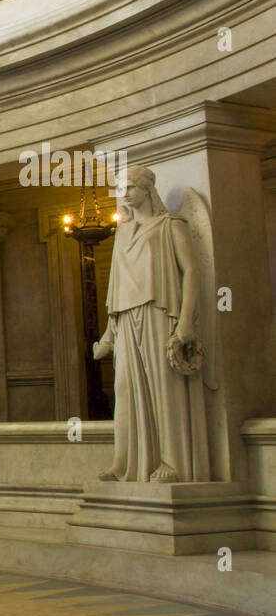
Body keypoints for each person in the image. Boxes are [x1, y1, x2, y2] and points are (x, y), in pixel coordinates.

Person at [94, 167, 210, 482]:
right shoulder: (124, 232)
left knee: (164, 387)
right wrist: (108, 332)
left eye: (131, 186)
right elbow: (114, 287)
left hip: (159, 312)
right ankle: (124, 463)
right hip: (126, 318)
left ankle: (172, 462)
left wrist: (185, 320)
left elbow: (191, 273)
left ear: (147, 189)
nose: (125, 193)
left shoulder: (170, 226)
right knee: (125, 388)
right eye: (121, 188)